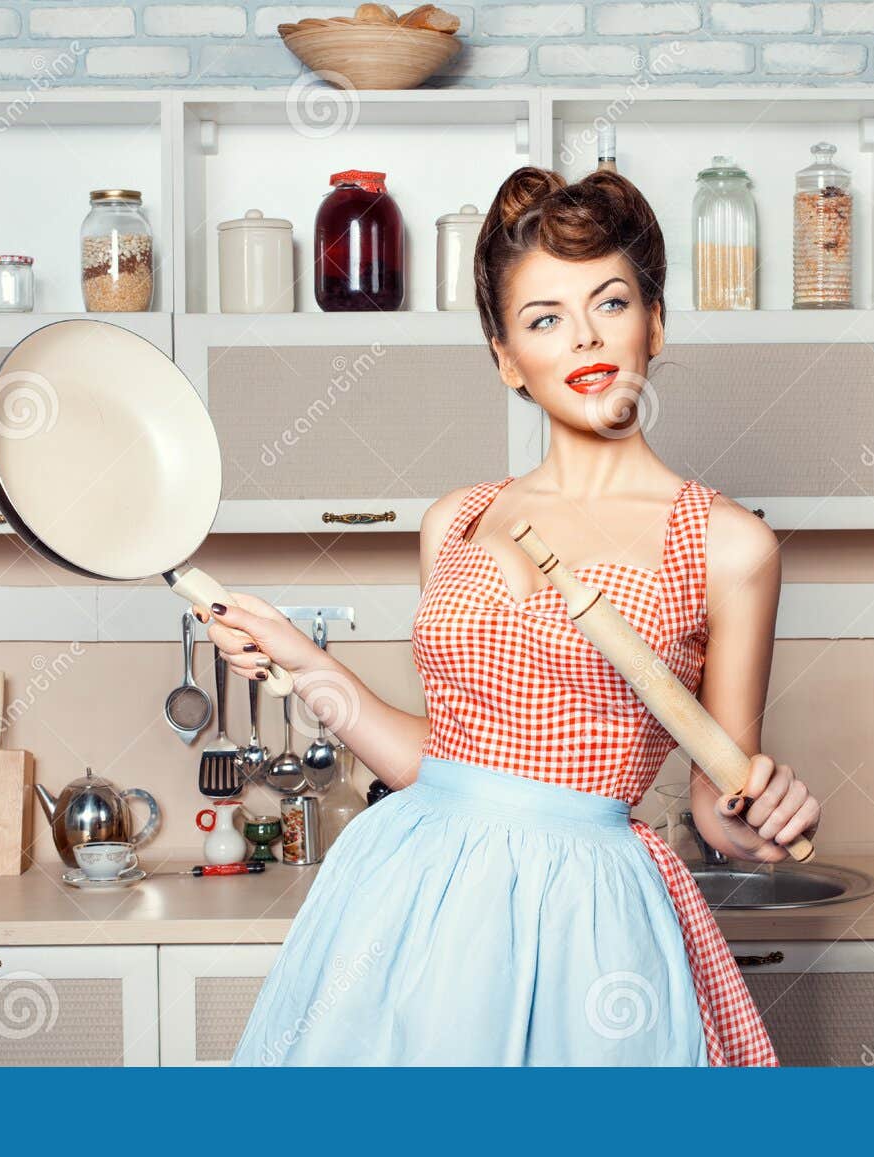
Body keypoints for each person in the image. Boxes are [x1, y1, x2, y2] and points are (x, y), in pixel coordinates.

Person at [198, 165, 820, 1066]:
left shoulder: (729, 545)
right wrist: (300, 658)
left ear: (655, 322)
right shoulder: (456, 520)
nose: (585, 336)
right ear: (505, 357)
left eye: (611, 302)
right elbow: (440, 760)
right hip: (407, 897)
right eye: (544, 318)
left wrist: (757, 813)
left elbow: (718, 805)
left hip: (585, 918)